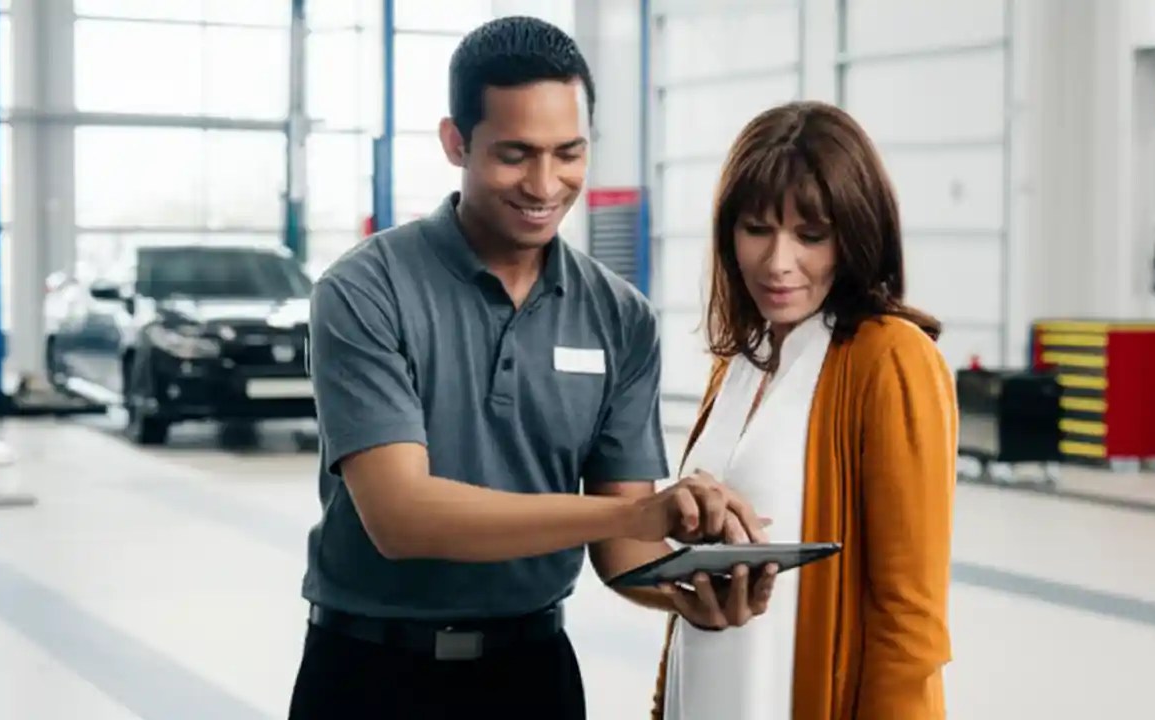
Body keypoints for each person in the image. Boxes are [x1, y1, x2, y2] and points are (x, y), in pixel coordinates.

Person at [288, 16, 769, 720]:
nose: (546, 184)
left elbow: (622, 545)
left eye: (568, 153)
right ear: (456, 142)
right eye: (514, 154)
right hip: (368, 678)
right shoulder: (365, 291)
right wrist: (638, 511)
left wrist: (687, 590)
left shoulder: (620, 318)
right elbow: (401, 516)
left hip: (532, 680)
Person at [650, 101, 958, 719]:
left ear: (854, 234)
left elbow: (909, 619)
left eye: (810, 236)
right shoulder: (741, 361)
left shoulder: (889, 359)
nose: (777, 262)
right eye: (756, 229)